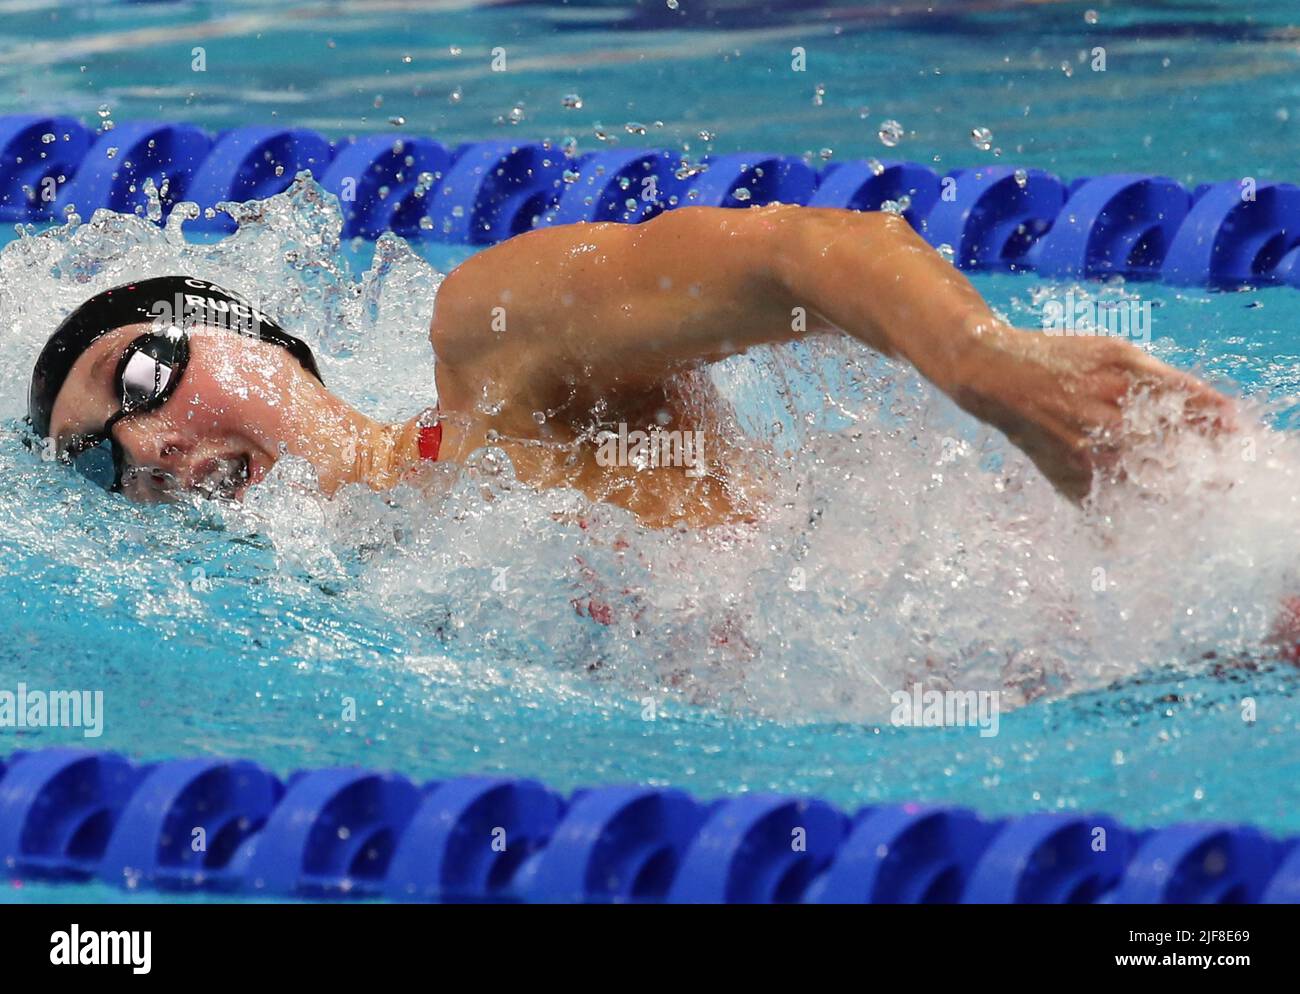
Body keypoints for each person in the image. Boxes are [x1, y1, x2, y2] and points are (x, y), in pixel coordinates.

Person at [29, 204, 1231, 523]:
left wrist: (989, 372)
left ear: (251, 331)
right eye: (102, 465)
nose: (148, 446)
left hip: (1135, 538)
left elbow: (806, 251)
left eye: (143, 379)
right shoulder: (399, 586)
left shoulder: (486, 346)